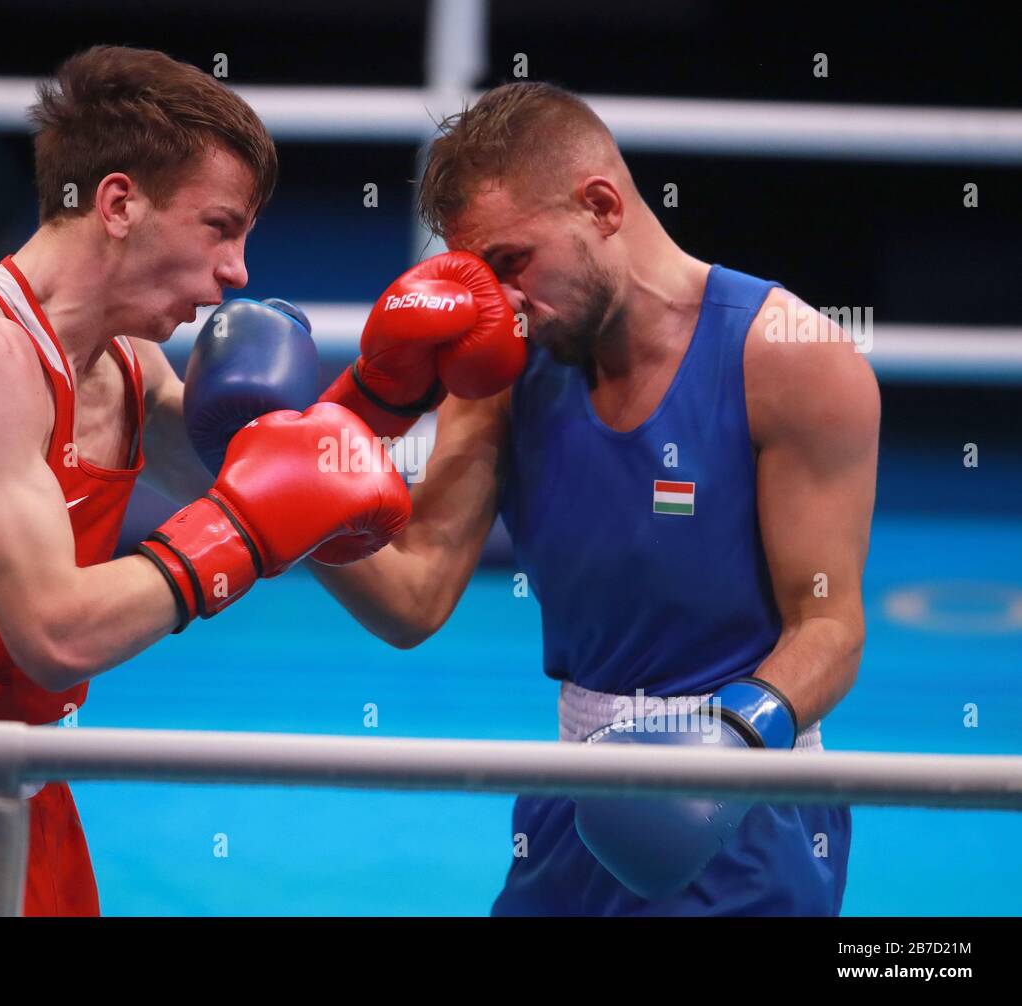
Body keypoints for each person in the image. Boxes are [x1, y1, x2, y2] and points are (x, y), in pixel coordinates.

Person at [0, 45, 415, 917]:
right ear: (118, 203)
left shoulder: (130, 367)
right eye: (219, 227)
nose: (239, 274)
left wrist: (389, 396)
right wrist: (241, 532)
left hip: (29, 793)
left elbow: (300, 505)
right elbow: (57, 636)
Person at [308, 82, 880, 915]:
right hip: (572, 798)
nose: (498, 303)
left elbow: (829, 626)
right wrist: (292, 507)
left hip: (745, 809)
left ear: (602, 206)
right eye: (477, 275)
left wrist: (730, 741)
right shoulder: (504, 372)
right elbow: (414, 596)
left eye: (510, 263)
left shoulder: (790, 361)